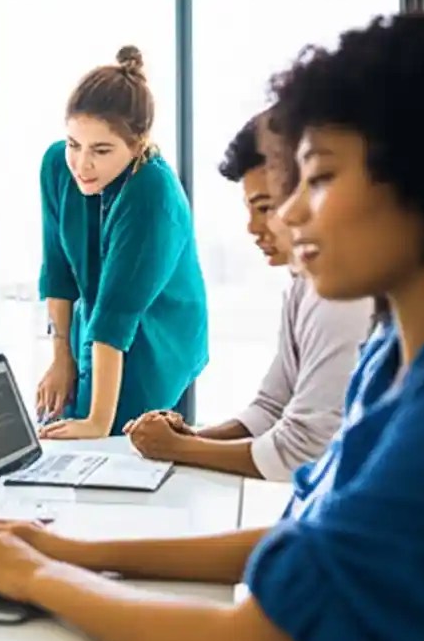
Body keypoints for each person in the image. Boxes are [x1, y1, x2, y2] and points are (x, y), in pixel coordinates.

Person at [0, 7, 424, 641]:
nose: (287, 215)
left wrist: (35, 578)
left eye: (316, 179)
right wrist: (69, 550)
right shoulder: (394, 361)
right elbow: (300, 543)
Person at [122, 115, 373, 480]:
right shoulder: (304, 284)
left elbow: (302, 448)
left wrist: (177, 448)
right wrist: (193, 438)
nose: (254, 228)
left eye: (266, 206)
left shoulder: (342, 297)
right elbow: (272, 407)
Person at [35, 46, 208, 440]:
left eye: (101, 150)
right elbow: (57, 270)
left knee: (127, 438)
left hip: (157, 335)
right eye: (74, 143)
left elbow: (117, 315)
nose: (82, 164)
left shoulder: (153, 194)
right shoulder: (57, 167)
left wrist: (97, 423)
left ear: (138, 144)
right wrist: (61, 354)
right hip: (99, 322)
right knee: (69, 425)